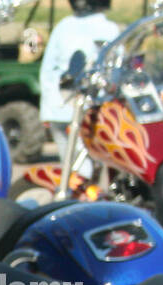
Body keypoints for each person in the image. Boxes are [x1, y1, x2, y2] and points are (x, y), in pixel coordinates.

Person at [39, 0, 120, 167]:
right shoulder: (109, 28)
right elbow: (115, 71)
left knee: (68, 162)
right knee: (86, 165)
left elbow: (47, 70)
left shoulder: (63, 26)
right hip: (91, 110)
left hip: (59, 107)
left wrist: (47, 108)